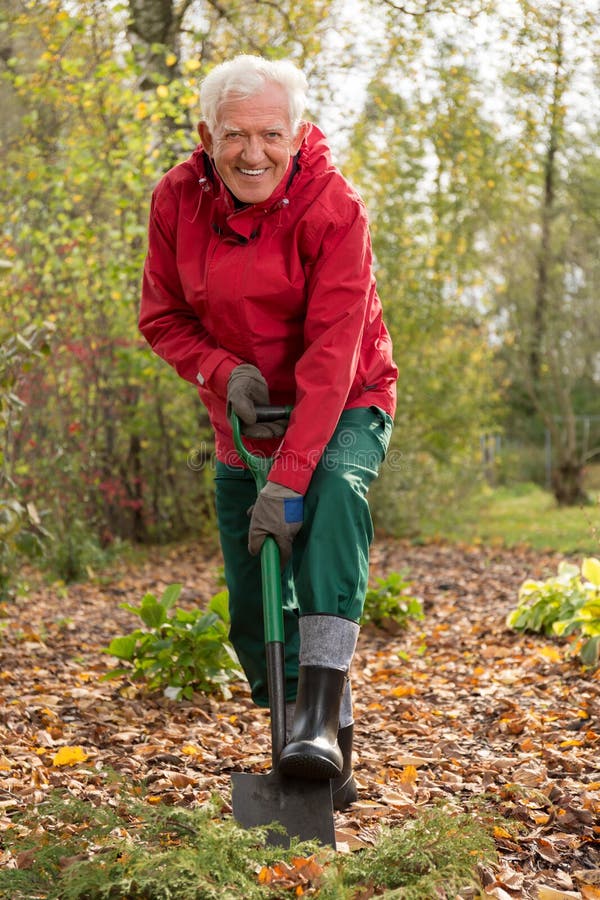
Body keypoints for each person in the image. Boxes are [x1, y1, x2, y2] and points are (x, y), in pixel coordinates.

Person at [139, 54, 397, 810]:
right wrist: (222, 371)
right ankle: (308, 735)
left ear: (298, 133)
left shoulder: (333, 206)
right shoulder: (177, 201)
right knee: (253, 596)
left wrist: (289, 480)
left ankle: (318, 718)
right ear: (206, 135)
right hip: (244, 416)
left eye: (271, 135)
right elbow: (161, 317)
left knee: (334, 505)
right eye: (235, 136)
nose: (254, 153)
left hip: (344, 396)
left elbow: (332, 354)